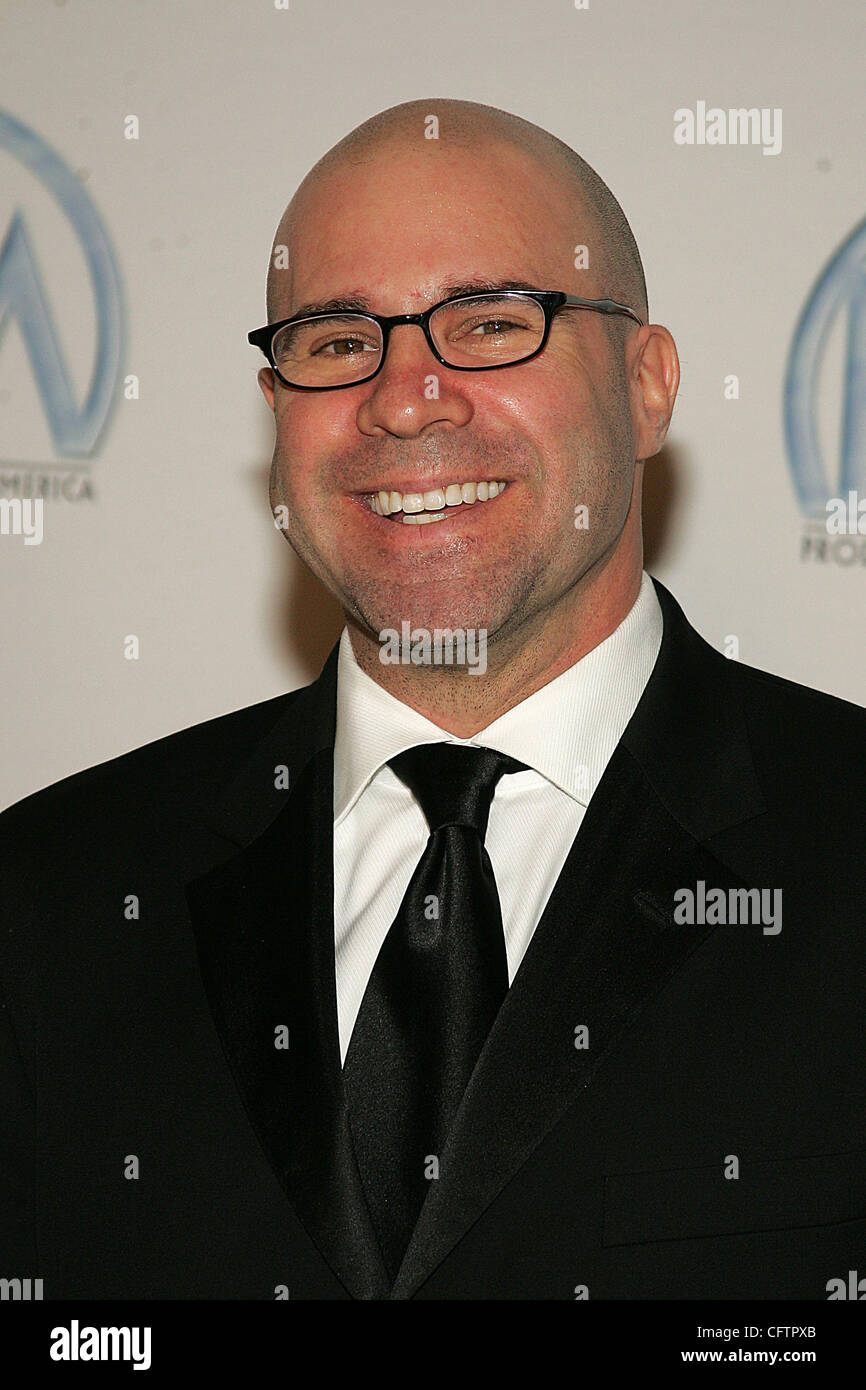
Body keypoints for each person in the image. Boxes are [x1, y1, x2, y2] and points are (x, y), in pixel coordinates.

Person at [1, 98, 864, 1302]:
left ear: (646, 383)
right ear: (275, 418)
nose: (407, 398)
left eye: (490, 323)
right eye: (337, 341)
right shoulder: (46, 899)